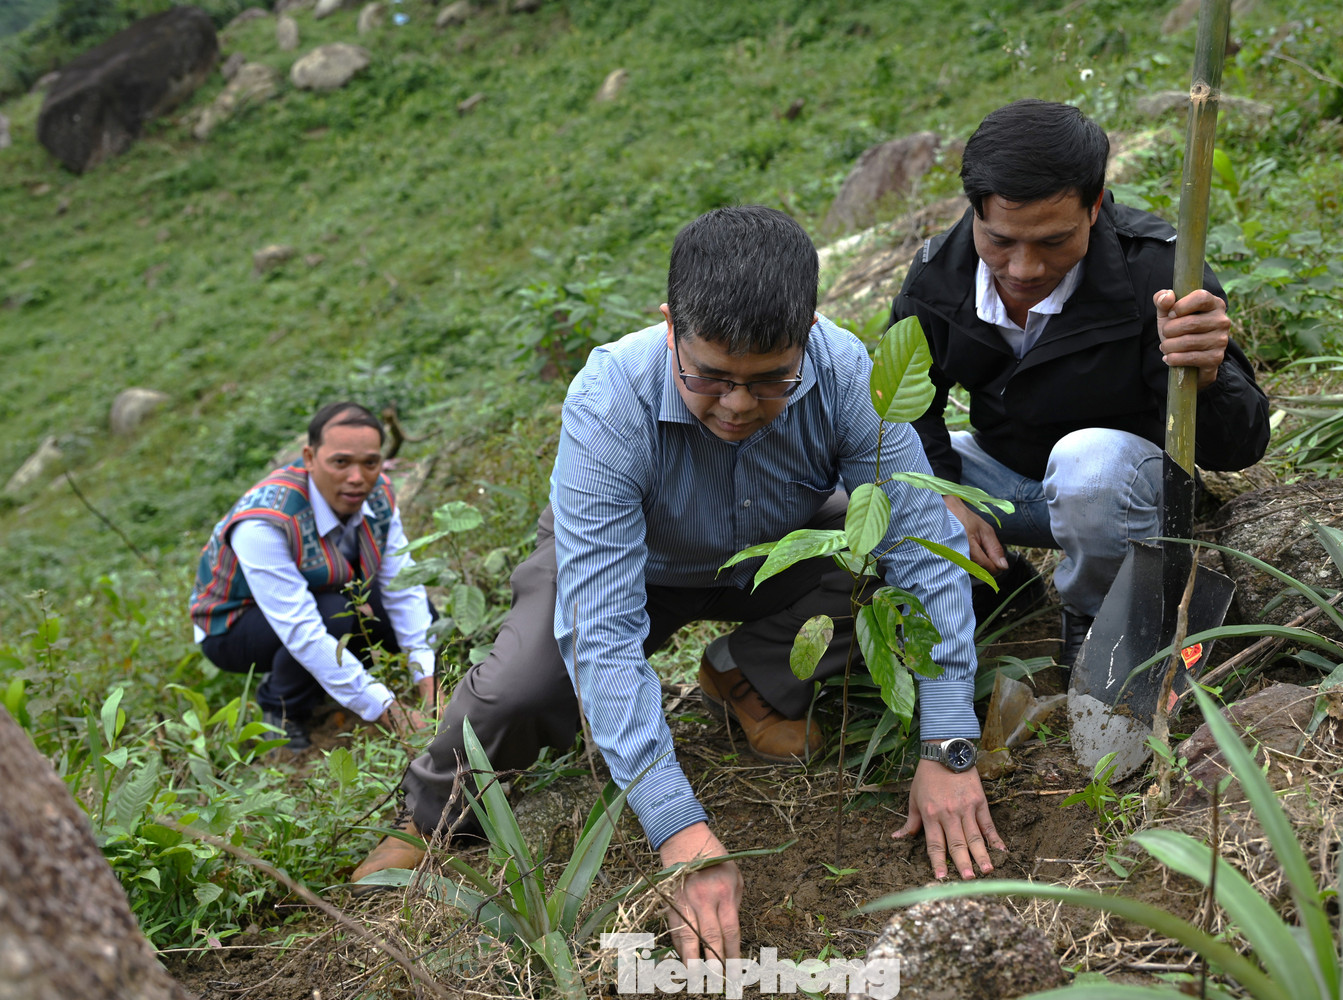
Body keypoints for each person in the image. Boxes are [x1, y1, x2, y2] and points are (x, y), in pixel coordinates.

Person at [354, 206, 1001, 964]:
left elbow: (919, 545)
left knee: (949, 571)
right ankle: (430, 819)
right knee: (522, 689)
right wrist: (680, 831)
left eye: (769, 383)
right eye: (711, 377)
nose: (735, 406)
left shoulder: (849, 372)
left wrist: (948, 744)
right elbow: (602, 634)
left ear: (809, 332)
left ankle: (745, 674)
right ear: (669, 326)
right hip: (633, 563)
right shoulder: (610, 401)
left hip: (770, 545)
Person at [889, 99, 1271, 666]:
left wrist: (1209, 376)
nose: (1023, 269)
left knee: (1086, 464)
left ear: (1095, 208)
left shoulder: (1157, 274)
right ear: (974, 212)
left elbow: (1240, 447)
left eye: (1052, 242)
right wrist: (940, 494)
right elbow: (906, 413)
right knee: (858, 483)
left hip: (1127, 494)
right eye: (1000, 241)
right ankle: (992, 585)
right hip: (1012, 478)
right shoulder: (935, 280)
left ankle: (1099, 618)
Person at [190, 402, 439, 750]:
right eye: (341, 462)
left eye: (369, 462)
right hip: (232, 626)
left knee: (424, 613)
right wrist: (389, 710)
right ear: (309, 458)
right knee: (332, 615)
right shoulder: (263, 523)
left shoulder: (379, 492)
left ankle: (335, 678)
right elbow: (301, 629)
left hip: (327, 597)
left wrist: (427, 680)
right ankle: (281, 708)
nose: (357, 477)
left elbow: (403, 586)